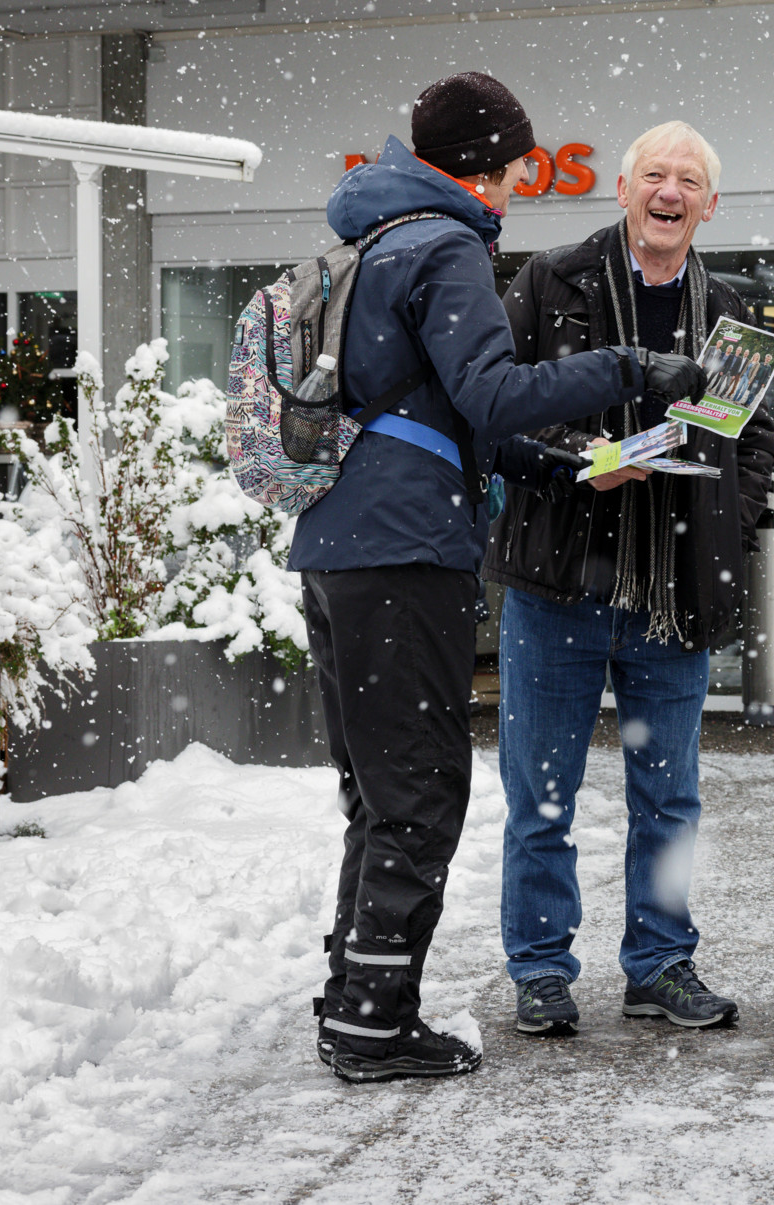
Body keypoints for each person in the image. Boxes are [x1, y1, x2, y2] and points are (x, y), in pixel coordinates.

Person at [294, 73, 709, 1085]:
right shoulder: (441, 241)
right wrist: (623, 370)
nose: (525, 177)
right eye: (519, 159)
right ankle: (370, 1026)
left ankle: (356, 996)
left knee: (378, 789)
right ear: (489, 156)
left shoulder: (371, 234)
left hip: (342, 538)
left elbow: (442, 406)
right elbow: (489, 396)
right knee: (420, 791)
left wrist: (575, 458)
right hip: (401, 547)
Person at [484, 121, 774, 1038]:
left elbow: (754, 442)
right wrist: (582, 459)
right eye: (656, 173)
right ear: (622, 188)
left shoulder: (731, 308)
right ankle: (540, 969)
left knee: (670, 794)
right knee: (541, 792)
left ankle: (659, 961)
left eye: (690, 179)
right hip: (558, 580)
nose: (671, 191)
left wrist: (735, 518)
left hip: (674, 589)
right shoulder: (549, 280)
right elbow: (492, 410)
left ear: (710, 204)